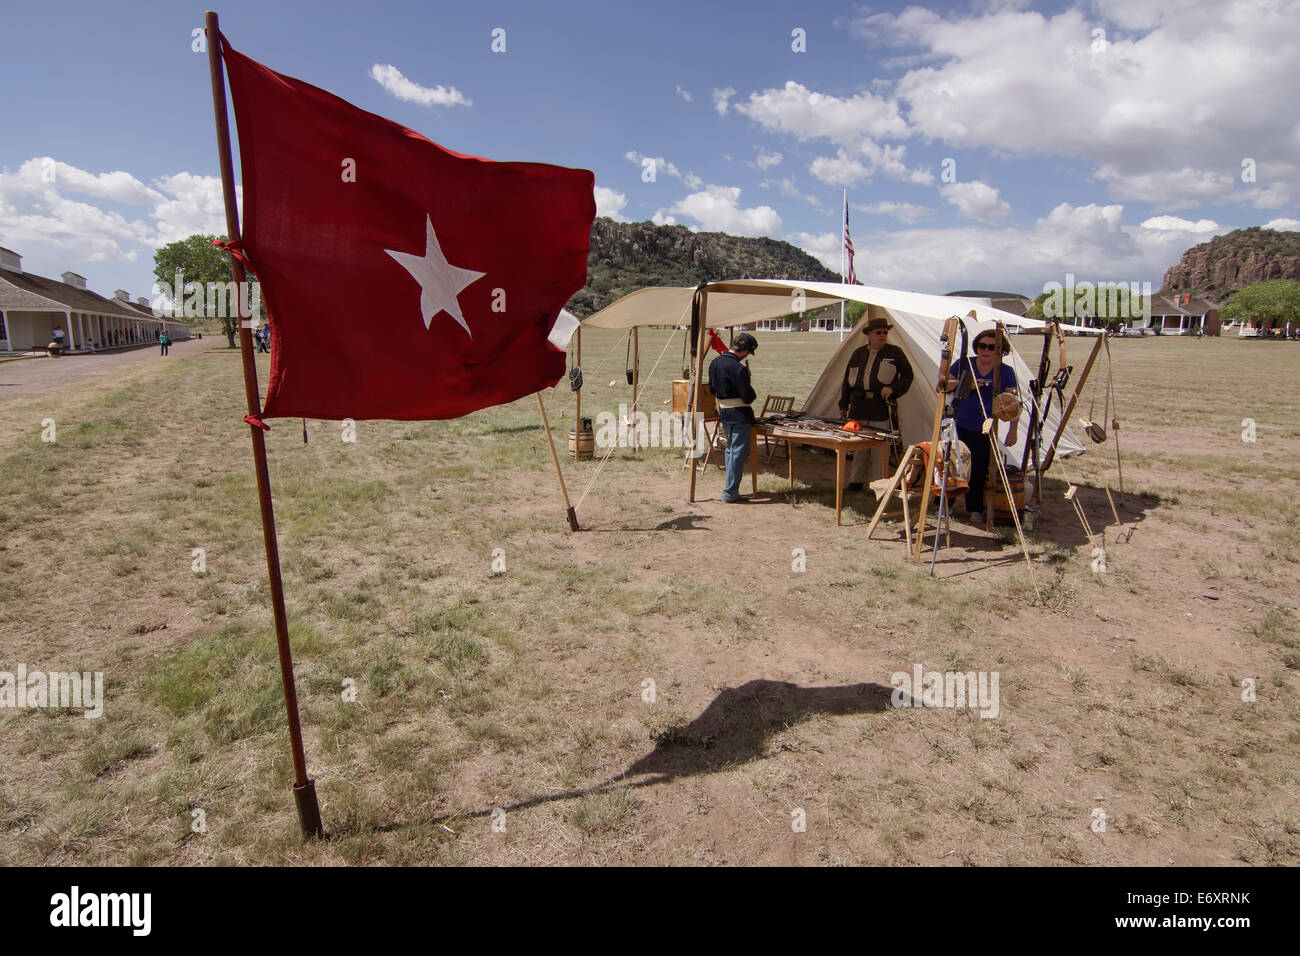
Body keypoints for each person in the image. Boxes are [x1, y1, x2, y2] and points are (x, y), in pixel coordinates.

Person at [839, 316, 914, 490]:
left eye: (885, 333)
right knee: (858, 447)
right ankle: (856, 482)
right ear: (869, 335)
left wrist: (893, 389)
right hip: (858, 406)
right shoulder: (858, 353)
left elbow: (908, 376)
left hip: (879, 406)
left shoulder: (895, 353)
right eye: (878, 332)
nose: (882, 335)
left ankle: (878, 485)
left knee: (879, 449)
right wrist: (843, 405)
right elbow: (846, 380)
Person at [953, 329, 1019, 524]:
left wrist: (1013, 430)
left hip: (985, 427)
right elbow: (944, 384)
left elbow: (1012, 403)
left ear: (1000, 351)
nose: (986, 350)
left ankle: (974, 508)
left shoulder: (1005, 372)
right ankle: (944, 506)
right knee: (954, 464)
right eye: (982, 346)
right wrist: (968, 385)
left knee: (979, 468)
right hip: (960, 422)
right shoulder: (965, 364)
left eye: (991, 347)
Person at [708, 332, 758, 503]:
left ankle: (730, 489)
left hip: (725, 413)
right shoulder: (738, 368)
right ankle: (730, 492)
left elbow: (713, 389)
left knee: (730, 451)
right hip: (740, 415)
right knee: (736, 454)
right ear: (744, 351)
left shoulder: (715, 363)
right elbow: (748, 396)